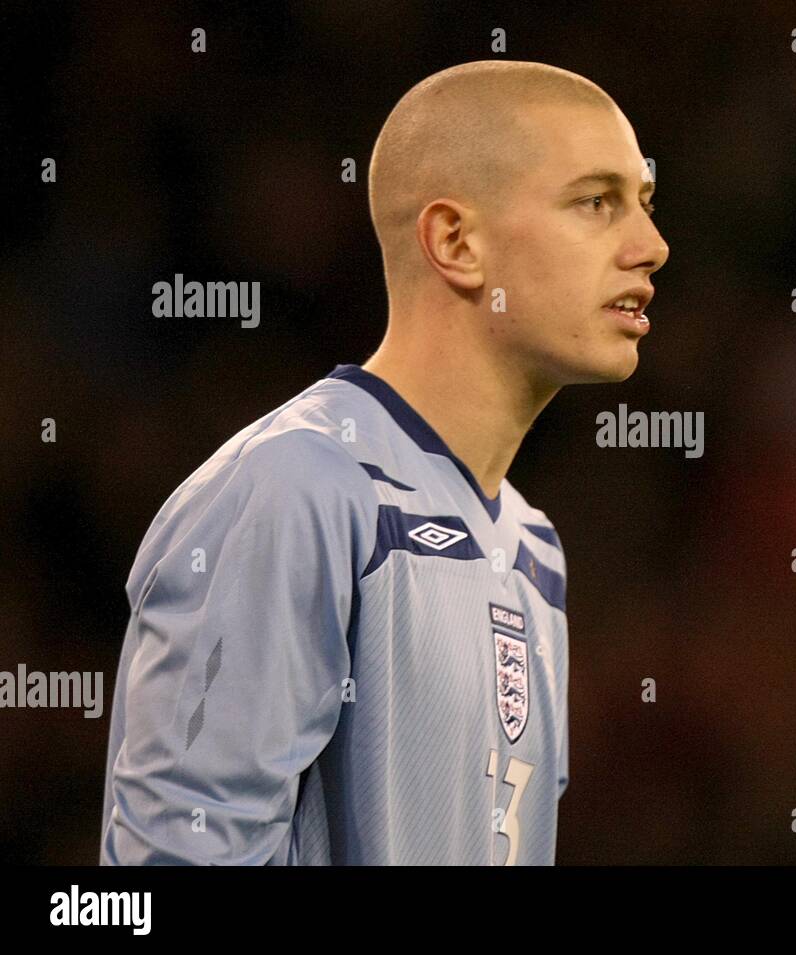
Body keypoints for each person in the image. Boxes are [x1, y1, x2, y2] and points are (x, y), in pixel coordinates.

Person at [99, 60, 669, 864]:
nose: (652, 246)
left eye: (644, 204)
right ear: (455, 241)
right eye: (596, 202)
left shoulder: (535, 547)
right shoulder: (297, 488)